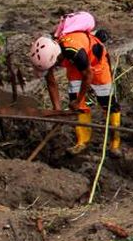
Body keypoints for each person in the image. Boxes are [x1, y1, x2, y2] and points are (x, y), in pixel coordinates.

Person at [29, 12, 121, 156]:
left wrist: (78, 100)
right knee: (79, 107)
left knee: (107, 102)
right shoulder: (49, 49)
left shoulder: (74, 51)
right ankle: (82, 141)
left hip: (96, 64)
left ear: (56, 58)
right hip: (75, 68)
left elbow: (88, 75)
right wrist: (57, 110)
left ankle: (115, 143)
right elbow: (51, 82)